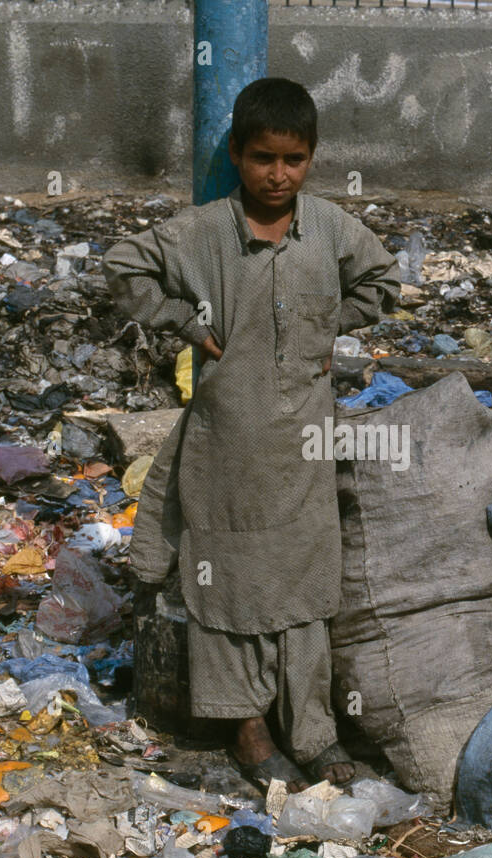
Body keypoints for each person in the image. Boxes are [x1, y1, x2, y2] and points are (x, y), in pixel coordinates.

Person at [103, 78, 401, 793]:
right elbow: (123, 264)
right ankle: (246, 729)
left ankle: (315, 730)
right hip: (227, 447)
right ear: (237, 154)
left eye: (293, 160)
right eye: (264, 158)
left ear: (311, 160)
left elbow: (382, 281)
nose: (278, 174)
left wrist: (335, 328)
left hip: (303, 447)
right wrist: (184, 320)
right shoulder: (204, 232)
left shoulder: (328, 228)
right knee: (227, 588)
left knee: (304, 590)